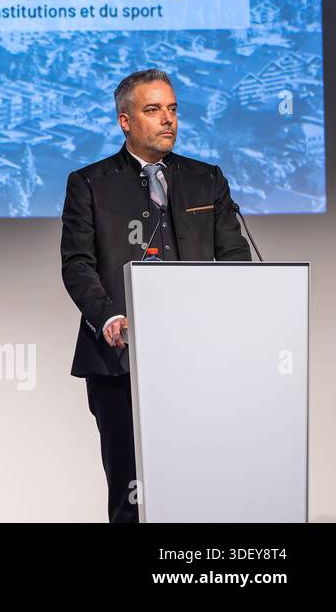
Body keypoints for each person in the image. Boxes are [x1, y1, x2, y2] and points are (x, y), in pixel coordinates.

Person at [60, 69, 249, 522]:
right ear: (125, 121)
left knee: (200, 488)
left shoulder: (207, 180)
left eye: (172, 109)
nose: (168, 119)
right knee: (132, 496)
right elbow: (77, 264)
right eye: (153, 110)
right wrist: (108, 318)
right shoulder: (90, 183)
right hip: (120, 361)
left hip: (199, 359)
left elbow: (236, 258)